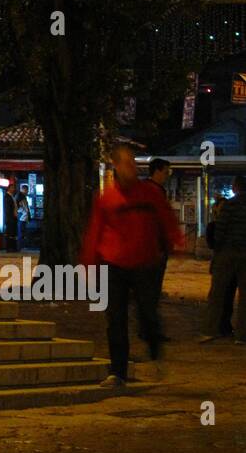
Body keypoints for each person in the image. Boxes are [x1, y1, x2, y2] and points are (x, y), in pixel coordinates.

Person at [80, 144, 184, 387]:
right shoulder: (107, 199)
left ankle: (155, 350)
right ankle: (118, 371)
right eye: (125, 164)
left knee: (147, 313)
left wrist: (175, 241)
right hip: (113, 264)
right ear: (116, 166)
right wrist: (88, 263)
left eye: (133, 163)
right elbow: (95, 231)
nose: (131, 169)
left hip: (145, 262)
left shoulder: (149, 194)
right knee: (115, 319)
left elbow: (166, 218)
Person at [199, 175, 246, 344]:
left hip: (228, 252)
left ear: (236, 187)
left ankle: (210, 330)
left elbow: (220, 230)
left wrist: (218, 249)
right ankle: (242, 335)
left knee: (217, 293)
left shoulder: (230, 205)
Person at [143, 159, 173, 340]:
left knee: (150, 290)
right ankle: (149, 330)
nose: (168, 176)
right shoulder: (153, 191)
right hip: (153, 248)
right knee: (151, 290)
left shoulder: (148, 189)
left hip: (152, 247)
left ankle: (149, 328)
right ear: (157, 171)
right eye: (166, 172)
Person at [2, 182, 18, 251]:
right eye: (12, 188)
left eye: (14, 187)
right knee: (10, 233)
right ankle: (9, 247)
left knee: (13, 233)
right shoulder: (7, 197)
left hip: (13, 217)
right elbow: (8, 209)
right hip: (10, 218)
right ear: (9, 188)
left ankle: (12, 247)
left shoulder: (12, 196)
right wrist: (11, 217)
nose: (14, 189)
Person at [15, 185, 32, 249]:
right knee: (21, 232)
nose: (27, 192)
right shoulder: (21, 197)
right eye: (27, 190)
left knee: (21, 232)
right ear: (24, 190)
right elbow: (25, 208)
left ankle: (20, 246)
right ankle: (20, 247)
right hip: (22, 217)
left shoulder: (19, 196)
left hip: (22, 216)